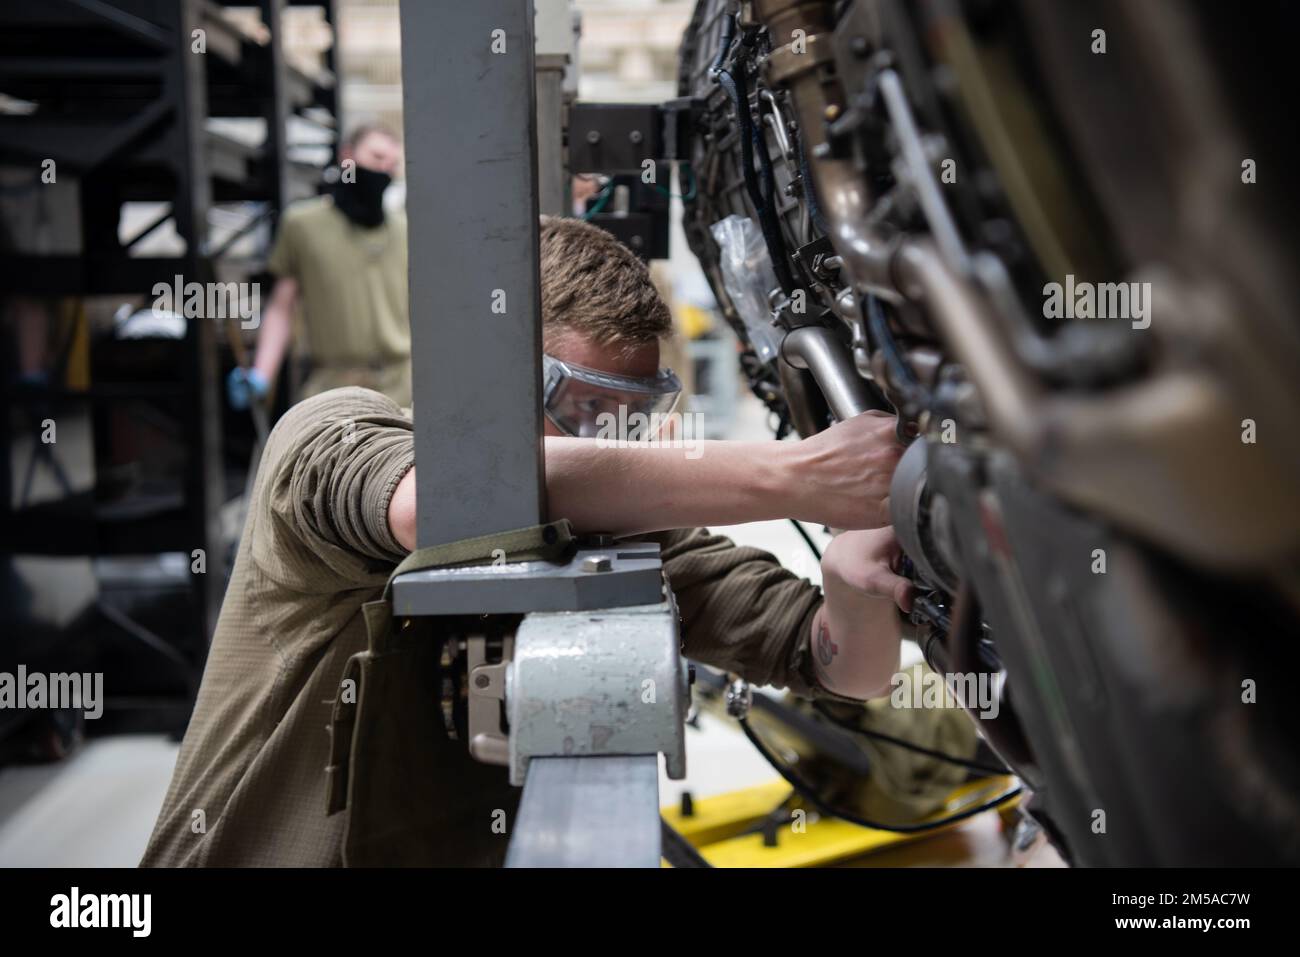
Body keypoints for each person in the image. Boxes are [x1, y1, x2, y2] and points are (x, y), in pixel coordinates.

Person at [142, 217, 910, 867]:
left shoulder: (617, 523)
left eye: (630, 415)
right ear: (482, 373)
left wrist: (854, 587)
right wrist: (795, 475)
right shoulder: (329, 436)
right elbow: (438, 504)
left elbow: (840, 667)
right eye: (582, 406)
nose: (611, 439)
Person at [227, 123, 411, 409]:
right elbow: (282, 307)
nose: (384, 169)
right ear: (347, 157)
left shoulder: (404, 231)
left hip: (401, 391)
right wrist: (261, 374)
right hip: (333, 392)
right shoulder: (303, 225)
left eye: (392, 163)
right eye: (376, 157)